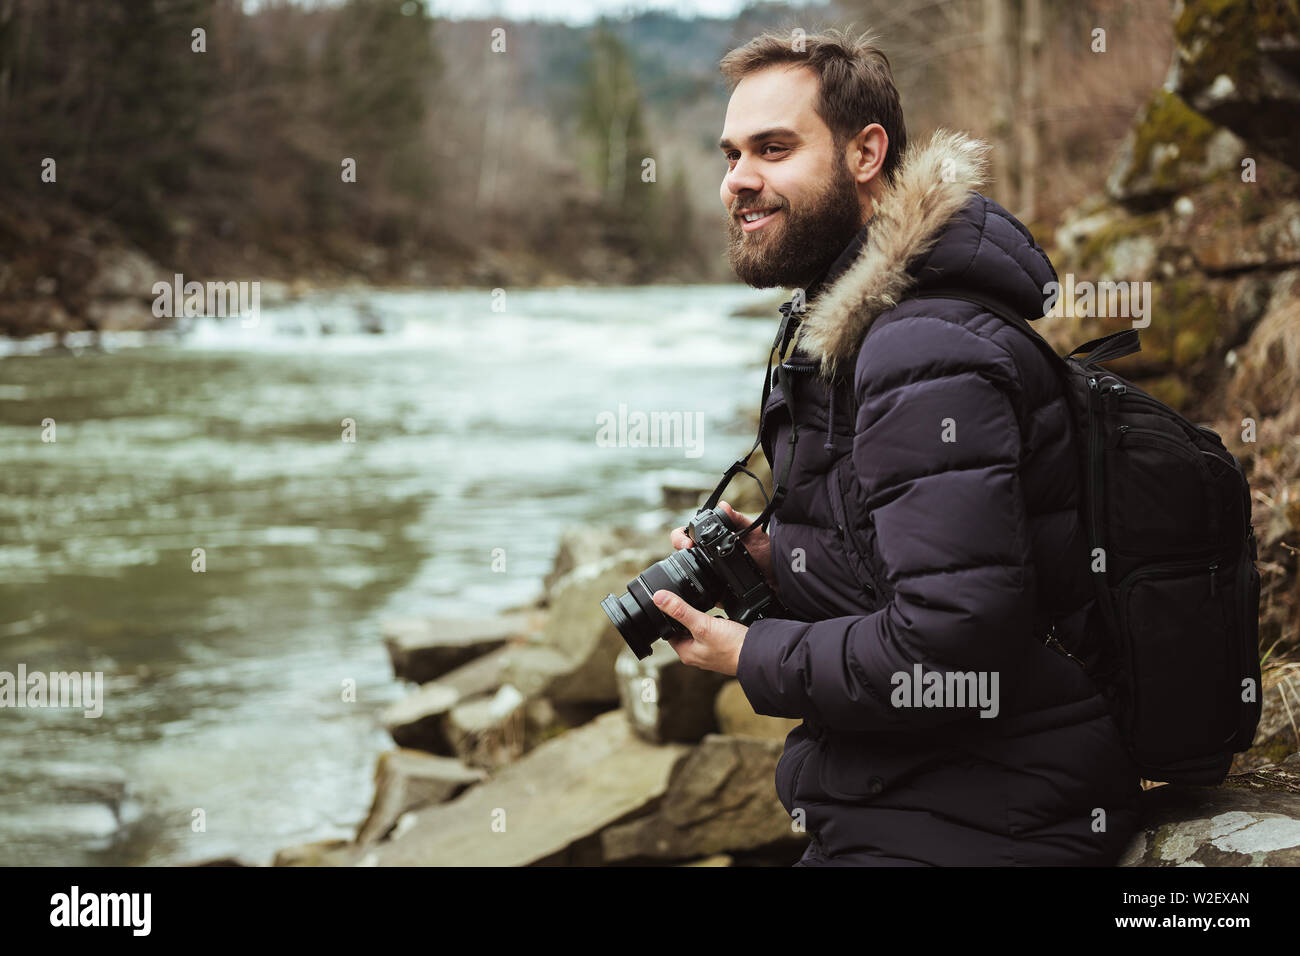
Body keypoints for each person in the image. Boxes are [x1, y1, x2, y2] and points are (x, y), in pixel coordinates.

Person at [652, 28, 1141, 866]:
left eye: (774, 149)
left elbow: (952, 647)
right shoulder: (864, 325)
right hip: (915, 797)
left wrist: (750, 653)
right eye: (731, 154)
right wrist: (780, 560)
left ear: (865, 152)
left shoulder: (924, 346)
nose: (738, 181)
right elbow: (925, 566)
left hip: (987, 815)